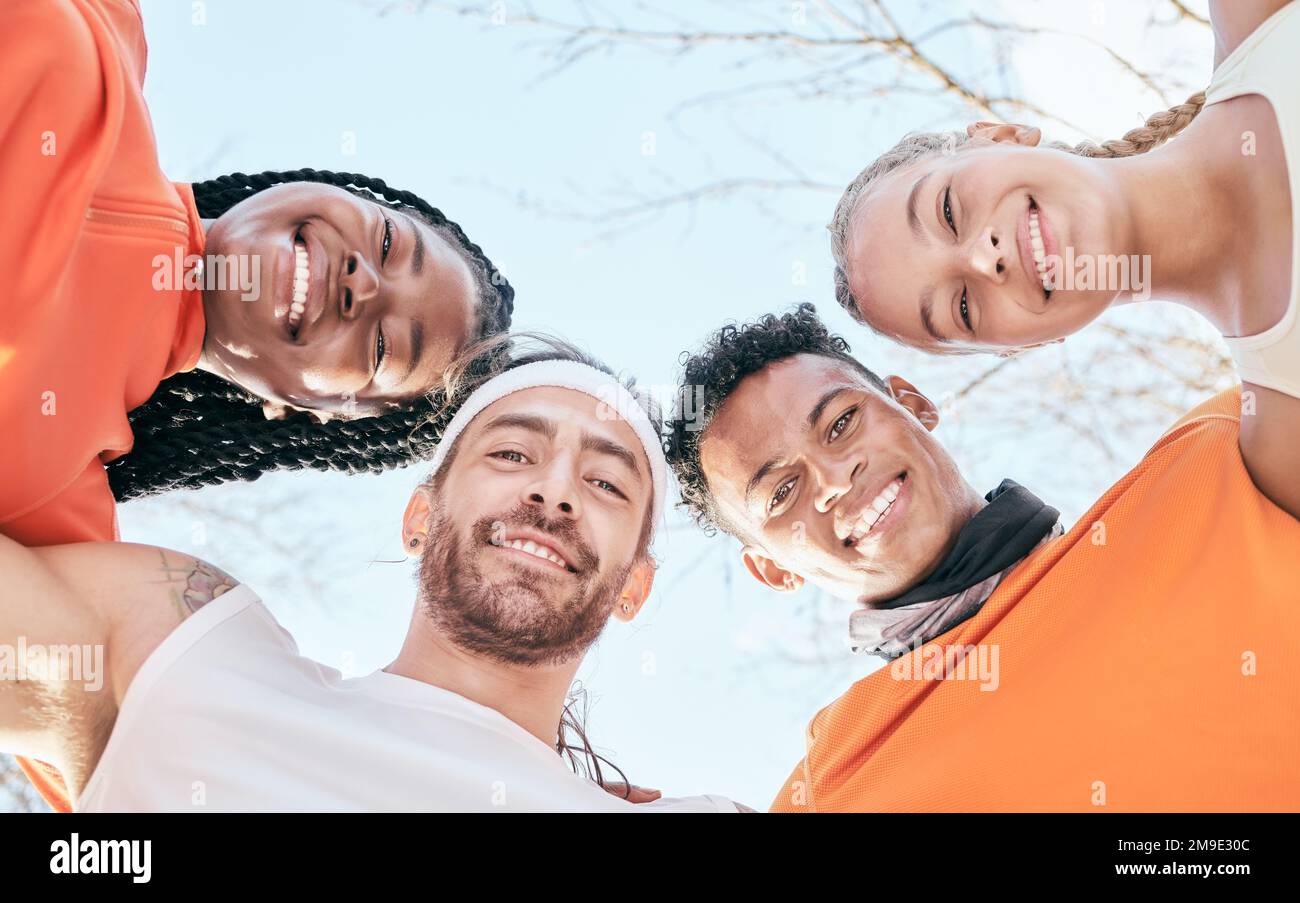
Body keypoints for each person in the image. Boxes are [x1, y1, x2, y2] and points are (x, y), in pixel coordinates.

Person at [1, 0, 512, 810]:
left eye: (384, 348)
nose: (365, 284)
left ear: (310, 412)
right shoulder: (109, 25)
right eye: (385, 242)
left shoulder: (55, 503)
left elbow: (121, 766)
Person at [0, 340, 741, 812]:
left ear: (632, 587)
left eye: (607, 483)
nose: (555, 492)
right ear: (418, 518)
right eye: (512, 454)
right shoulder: (187, 644)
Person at [666, 304, 1300, 811]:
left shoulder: (1215, 462)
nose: (834, 477)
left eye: (840, 423)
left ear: (912, 403)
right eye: (783, 491)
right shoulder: (833, 789)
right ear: (774, 570)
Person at [827, 0, 1300, 520]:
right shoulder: (1286, 441)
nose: (987, 261)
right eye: (962, 307)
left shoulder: (1255, 14)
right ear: (1027, 344)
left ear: (1000, 135)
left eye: (947, 210)